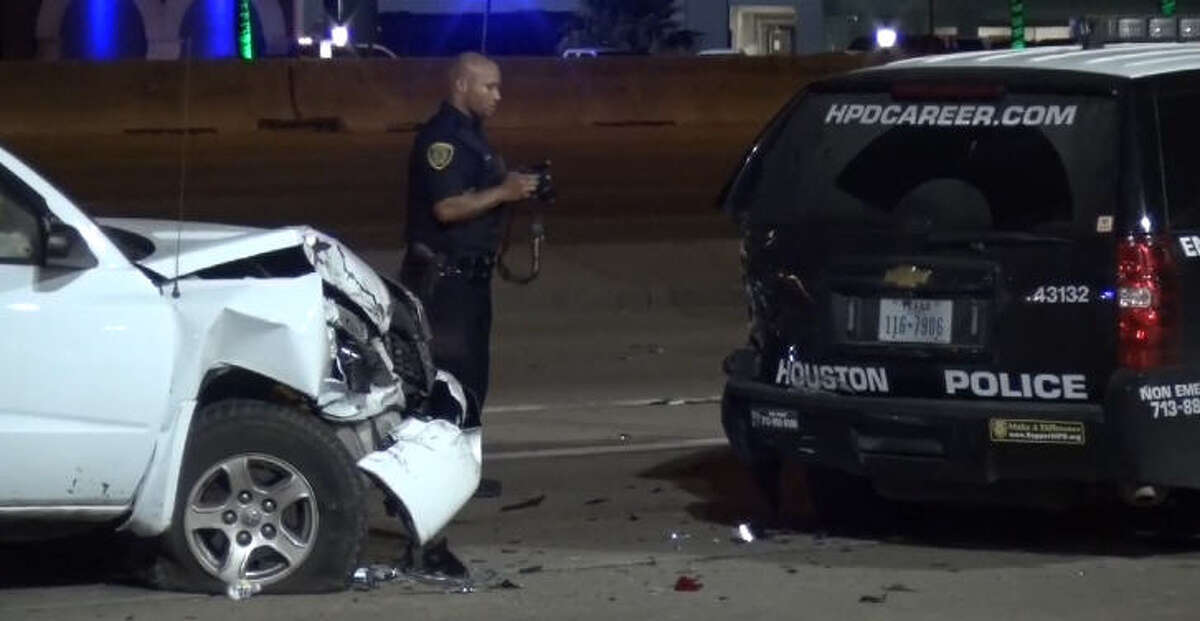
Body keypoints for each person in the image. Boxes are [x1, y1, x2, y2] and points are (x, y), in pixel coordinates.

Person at [401, 52, 539, 425]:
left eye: (499, 87)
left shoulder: (472, 136)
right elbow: (445, 208)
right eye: (489, 87)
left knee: (473, 380)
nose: (498, 96)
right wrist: (502, 193)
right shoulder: (442, 140)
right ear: (462, 85)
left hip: (470, 279)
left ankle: (465, 470)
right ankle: (442, 475)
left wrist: (515, 185)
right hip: (444, 282)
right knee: (449, 383)